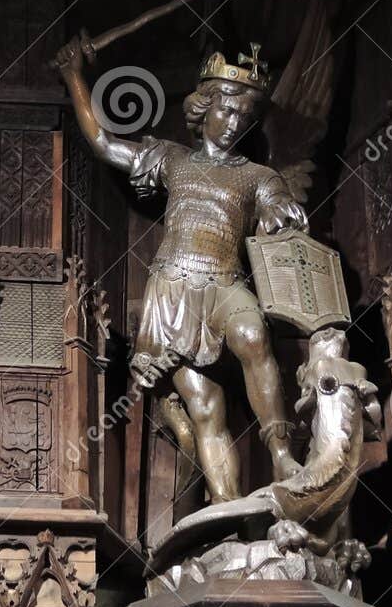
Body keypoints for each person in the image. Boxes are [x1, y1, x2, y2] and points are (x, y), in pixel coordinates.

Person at [56, 38, 303, 502]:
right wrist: (73, 75)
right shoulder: (172, 159)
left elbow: (280, 205)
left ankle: (281, 452)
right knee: (205, 408)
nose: (234, 124)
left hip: (226, 282)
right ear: (203, 107)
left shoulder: (258, 176)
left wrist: (279, 215)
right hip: (173, 288)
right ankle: (226, 508)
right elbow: (103, 143)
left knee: (252, 334)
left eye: (244, 117)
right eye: (226, 111)